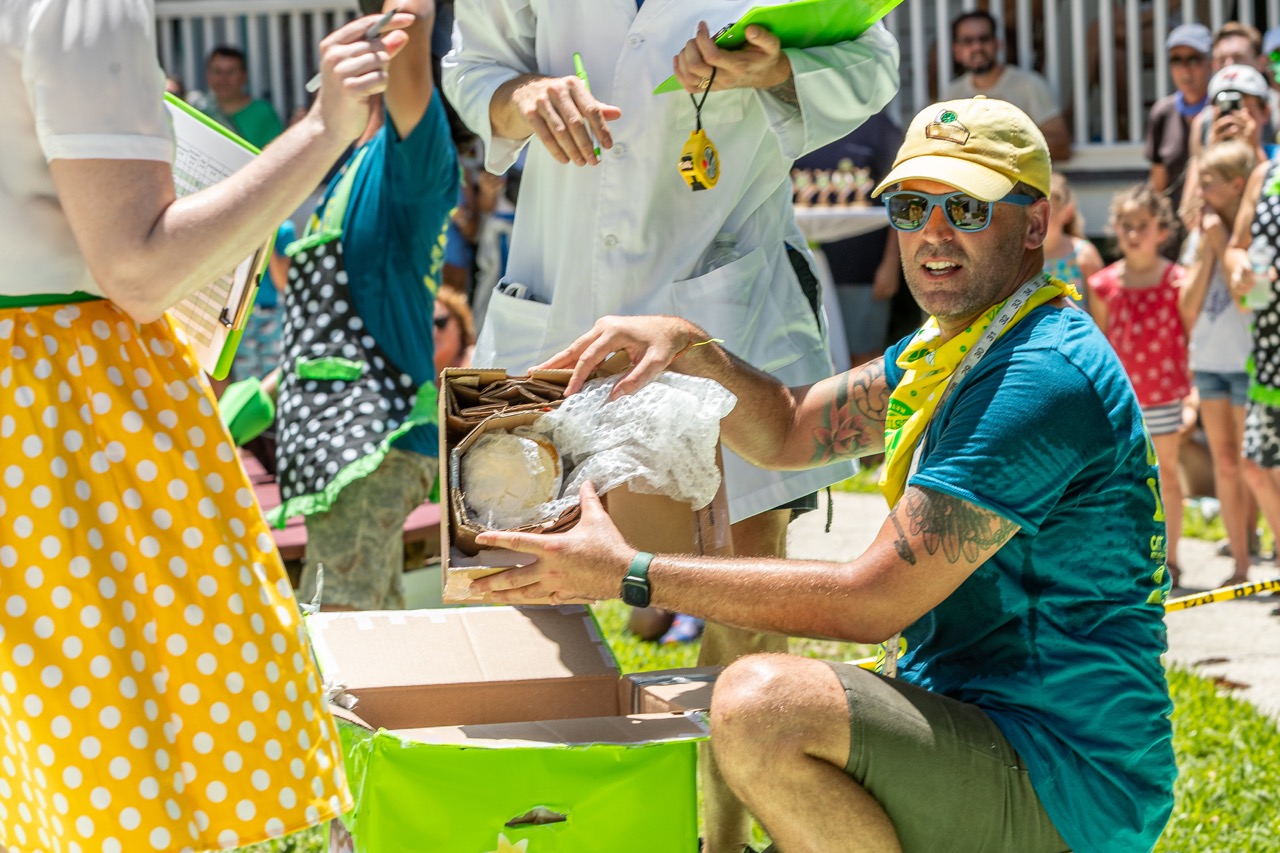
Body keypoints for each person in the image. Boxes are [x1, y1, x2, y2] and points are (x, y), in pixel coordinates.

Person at [468, 96, 1175, 853]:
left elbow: (872, 600)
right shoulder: (955, 344)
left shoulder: (1037, 376)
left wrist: (629, 572)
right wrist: (691, 346)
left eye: (966, 209)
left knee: (761, 704)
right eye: (911, 206)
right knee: (764, 706)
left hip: (1067, 775)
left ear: (1035, 224)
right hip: (985, 724)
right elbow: (792, 427)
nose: (932, 234)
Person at [442, 9, 898, 851]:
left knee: (742, 615)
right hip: (553, 306)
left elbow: (873, 61)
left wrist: (775, 72)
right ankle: (542, 830)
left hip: (722, 305)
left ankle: (725, 840)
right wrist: (523, 97)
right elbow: (471, 68)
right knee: (511, 602)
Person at [0, 2, 412, 849]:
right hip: (73, 422)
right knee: (133, 776)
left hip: (31, 417)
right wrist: (325, 129)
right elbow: (141, 270)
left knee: (46, 780)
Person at [273, 0, 459, 614]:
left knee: (339, 623)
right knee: (370, 625)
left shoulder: (411, 163)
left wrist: (402, 23)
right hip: (330, 438)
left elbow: (409, 37)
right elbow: (309, 295)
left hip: (372, 436)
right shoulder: (346, 168)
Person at [1088, 184, 1189, 586]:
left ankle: (1173, 557)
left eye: (1141, 225)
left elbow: (1189, 334)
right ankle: (1130, 558)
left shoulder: (1177, 279)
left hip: (1165, 393)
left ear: (1161, 230)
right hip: (1121, 401)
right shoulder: (1103, 285)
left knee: (1166, 480)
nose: (1133, 234)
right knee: (1121, 482)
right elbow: (1101, 342)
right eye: (1125, 225)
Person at [1180, 140, 1268, 586]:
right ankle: (1240, 565)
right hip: (1209, 360)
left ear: (1237, 186)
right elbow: (1187, 305)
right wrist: (1210, 247)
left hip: (1250, 363)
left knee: (1258, 467)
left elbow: (1251, 301)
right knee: (1228, 465)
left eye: (1207, 183)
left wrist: (1222, 241)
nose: (1199, 192)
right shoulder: (1203, 235)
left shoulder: (1259, 237)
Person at [794, 111, 905, 365]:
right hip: (803, 272)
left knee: (865, 363)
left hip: (864, 271)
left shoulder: (877, 126)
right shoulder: (793, 122)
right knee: (812, 362)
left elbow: (899, 199)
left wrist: (891, 265)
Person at [1220, 123, 1280, 585]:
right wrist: (1239, 269)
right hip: (1268, 346)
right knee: (1258, 466)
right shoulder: (1266, 172)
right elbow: (1238, 246)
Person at [943, 10, 1071, 161]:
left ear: (997, 44)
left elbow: (1061, 146)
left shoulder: (1029, 85)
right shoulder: (951, 95)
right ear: (957, 51)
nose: (977, 47)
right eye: (968, 41)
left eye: (984, 39)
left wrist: (997, 148)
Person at [1145, 23, 1212, 217]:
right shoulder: (1162, 113)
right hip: (1173, 226)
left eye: (1193, 59)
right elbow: (1158, 186)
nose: (1185, 70)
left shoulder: (1220, 111)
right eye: (1176, 60)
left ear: (1211, 62)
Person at [201, 45, 285, 149]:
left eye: (230, 72)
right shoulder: (199, 111)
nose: (223, 79)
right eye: (218, 72)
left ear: (244, 76)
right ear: (208, 75)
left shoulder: (263, 113)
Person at [1041, 172, 1103, 308]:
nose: (1040, 220)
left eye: (1048, 213)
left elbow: (1101, 314)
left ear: (1067, 213)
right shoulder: (1021, 256)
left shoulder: (1084, 255)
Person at [434, 285, 476, 376]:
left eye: (440, 322)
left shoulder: (481, 361)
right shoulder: (410, 375)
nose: (433, 330)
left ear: (459, 323)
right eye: (426, 325)